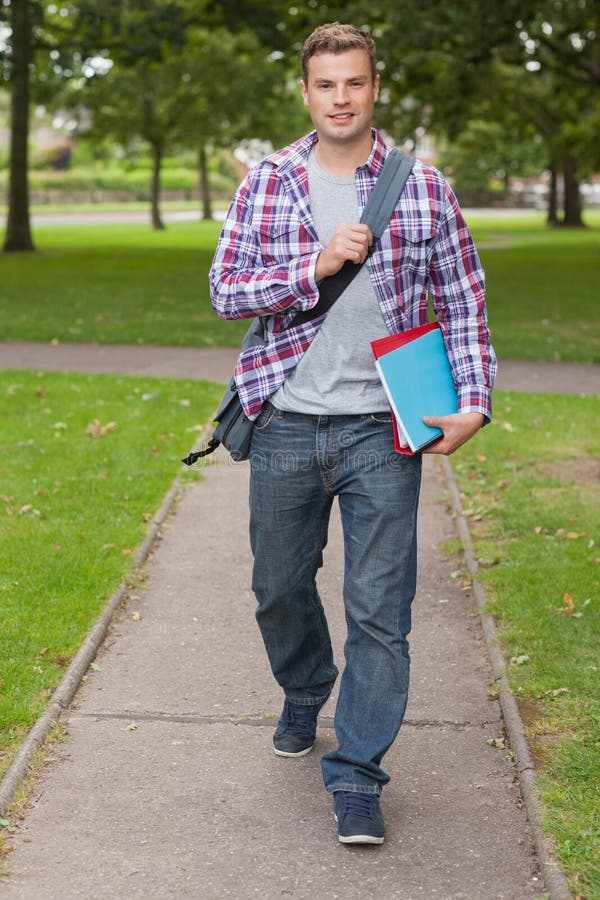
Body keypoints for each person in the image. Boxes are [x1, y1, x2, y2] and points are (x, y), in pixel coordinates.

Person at [209, 22, 496, 845]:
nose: (341, 98)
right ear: (306, 93)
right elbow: (227, 292)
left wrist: (473, 401)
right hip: (289, 423)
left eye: (355, 83)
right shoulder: (269, 181)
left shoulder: (423, 189)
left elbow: (467, 304)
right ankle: (306, 688)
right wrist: (316, 267)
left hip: (383, 429)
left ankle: (359, 774)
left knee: (381, 609)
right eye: (326, 85)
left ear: (376, 90)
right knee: (279, 586)